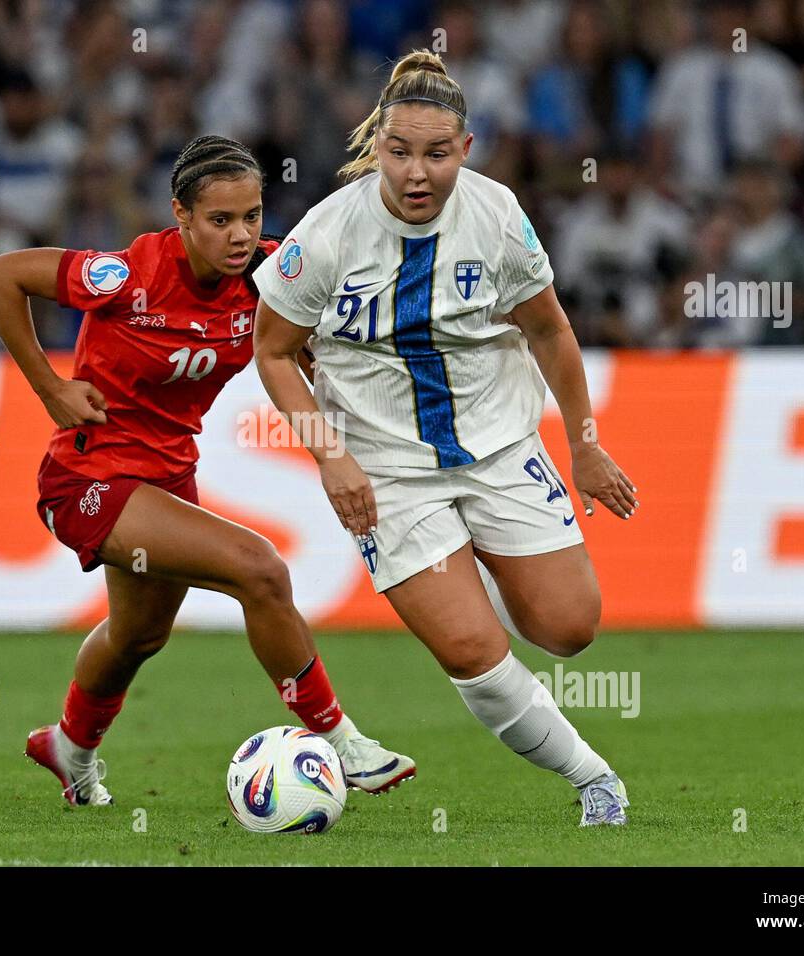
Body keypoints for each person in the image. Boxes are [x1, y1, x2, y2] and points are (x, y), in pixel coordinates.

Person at [0, 135, 413, 811]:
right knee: (260, 569)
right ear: (180, 215)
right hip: (89, 478)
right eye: (220, 219)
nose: (240, 235)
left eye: (251, 216)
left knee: (137, 636)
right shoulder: (126, 276)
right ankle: (341, 740)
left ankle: (69, 746)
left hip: (169, 477)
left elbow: (307, 352)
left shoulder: (271, 277)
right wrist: (50, 387)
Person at [252, 51, 635, 826]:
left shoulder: (497, 215)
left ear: (466, 148)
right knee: (468, 648)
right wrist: (332, 456)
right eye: (399, 152)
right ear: (378, 146)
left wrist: (585, 443)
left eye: (436, 154)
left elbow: (550, 331)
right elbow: (273, 351)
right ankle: (594, 778)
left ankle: (474, 567)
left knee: (570, 629)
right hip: (385, 473)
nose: (415, 173)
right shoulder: (327, 234)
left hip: (499, 448)